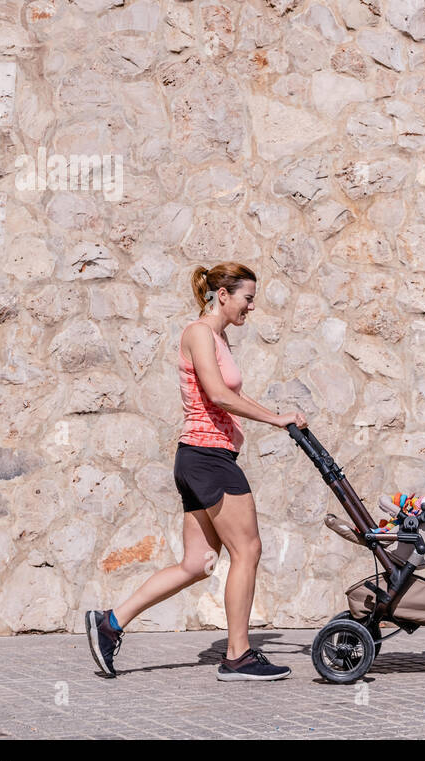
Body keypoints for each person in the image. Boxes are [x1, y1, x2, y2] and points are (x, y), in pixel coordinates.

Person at [85, 262, 306, 681]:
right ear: (223, 295)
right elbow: (219, 394)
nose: (251, 307)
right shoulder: (199, 333)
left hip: (200, 458)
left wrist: (277, 416)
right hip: (208, 458)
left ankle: (109, 624)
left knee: (197, 563)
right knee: (248, 551)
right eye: (247, 298)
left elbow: (229, 394)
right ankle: (238, 655)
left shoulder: (219, 337)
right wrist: (276, 418)